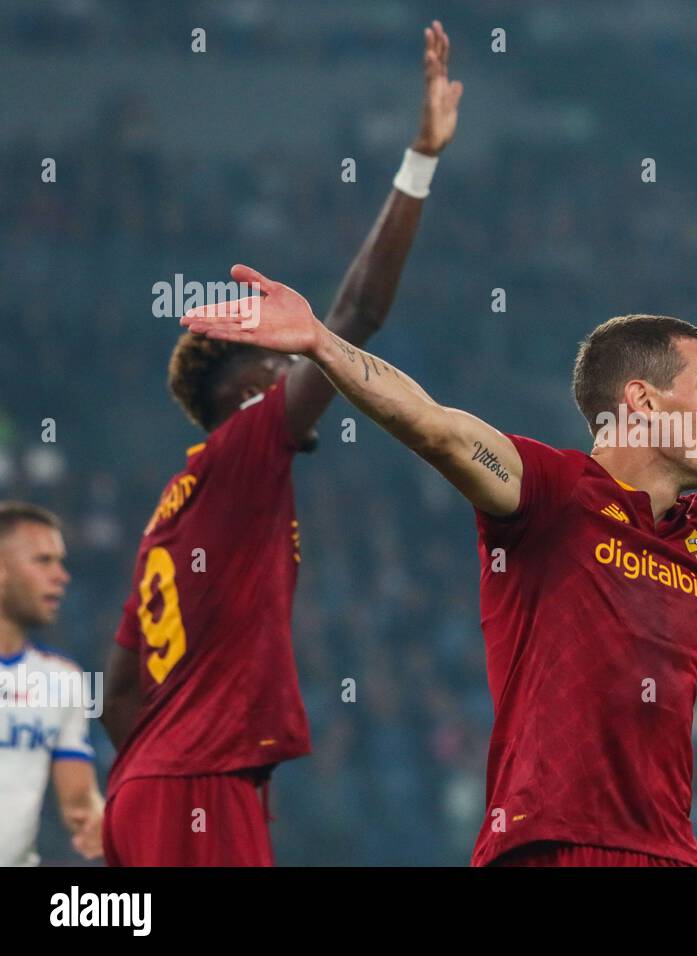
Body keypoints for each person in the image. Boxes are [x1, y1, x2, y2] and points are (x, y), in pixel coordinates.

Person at [182, 299, 697, 870]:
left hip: (666, 851)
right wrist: (322, 342)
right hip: (548, 844)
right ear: (642, 401)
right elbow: (430, 422)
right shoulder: (551, 493)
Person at [100, 21, 463, 866]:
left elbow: (120, 694)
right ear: (247, 388)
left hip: (156, 790)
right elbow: (357, 319)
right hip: (201, 786)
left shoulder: (177, 506)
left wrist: (148, 787)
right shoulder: (239, 453)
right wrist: (421, 160)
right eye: (283, 358)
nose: (301, 365)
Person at [0, 502, 103, 866]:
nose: (62, 576)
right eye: (43, 561)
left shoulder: (63, 681)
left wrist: (98, 822)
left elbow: (79, 802)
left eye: (60, 562)